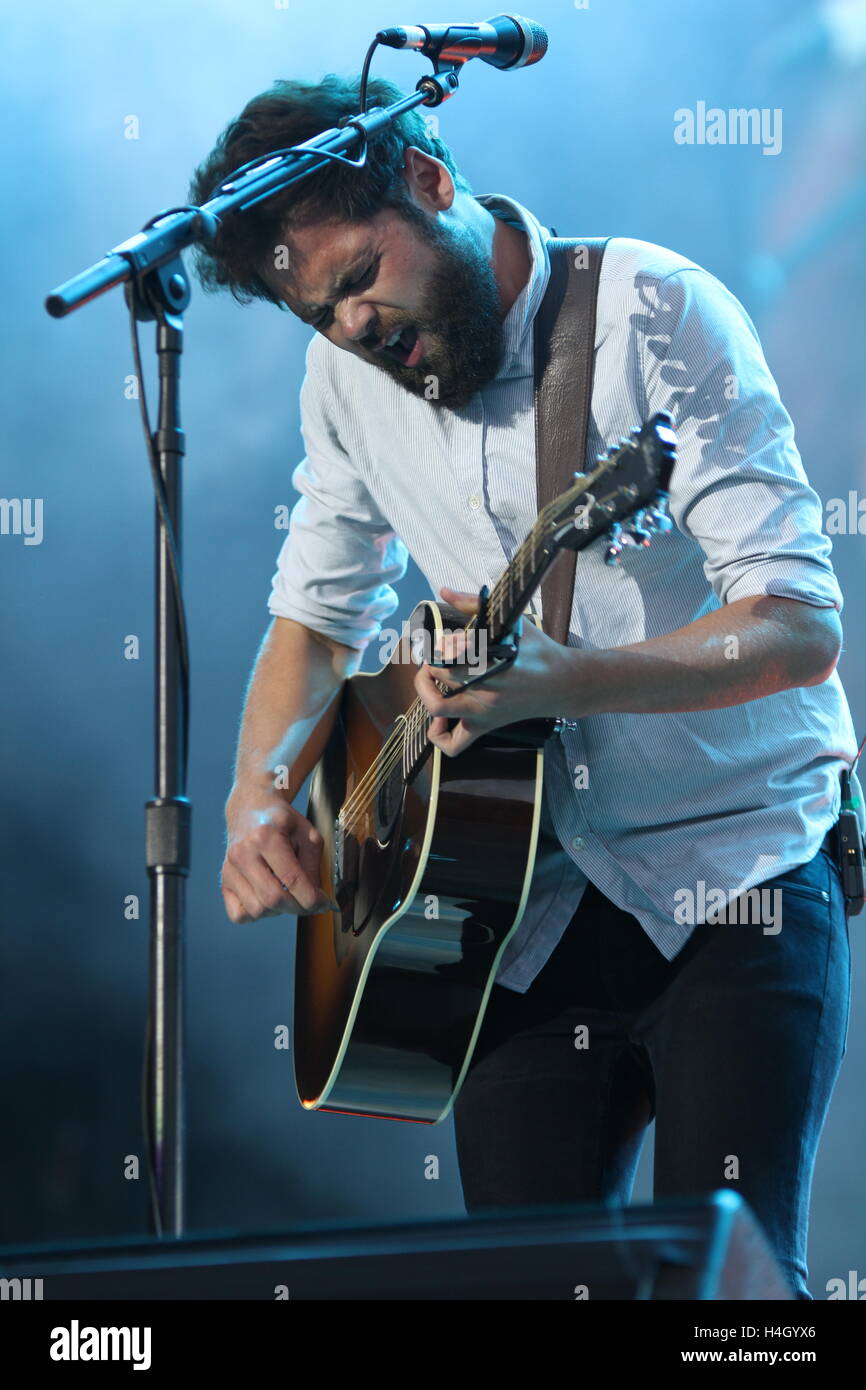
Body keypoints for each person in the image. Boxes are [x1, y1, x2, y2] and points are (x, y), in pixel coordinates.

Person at [190, 75, 859, 1298]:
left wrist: (570, 678)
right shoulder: (346, 384)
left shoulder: (654, 312)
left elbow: (798, 626)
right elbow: (315, 612)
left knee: (732, 1301)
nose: (348, 330)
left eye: (355, 281)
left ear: (430, 185)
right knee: (523, 1289)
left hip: (736, 872)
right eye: (316, 314)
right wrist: (254, 797)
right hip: (520, 908)